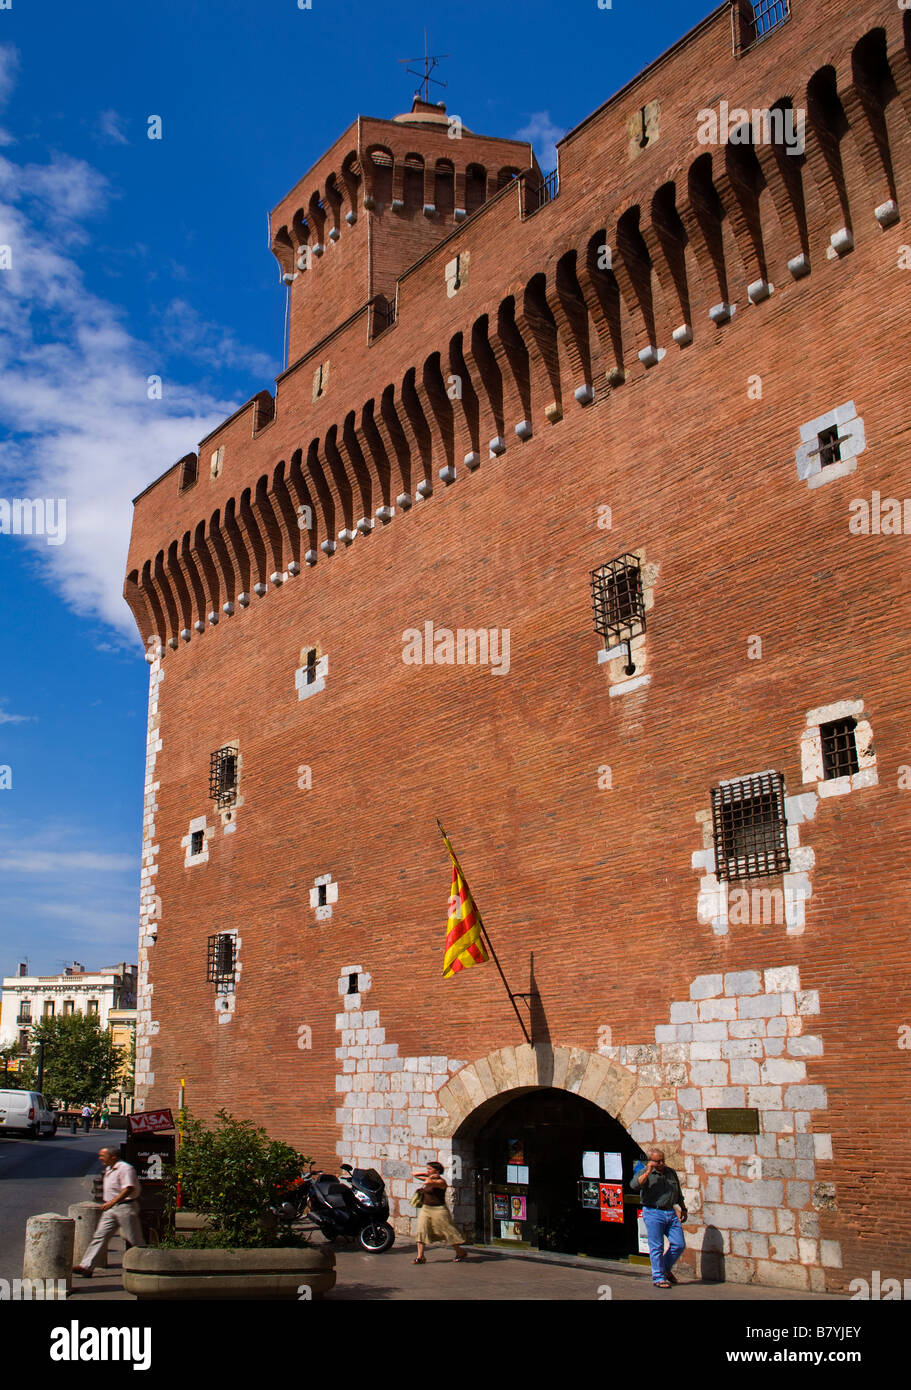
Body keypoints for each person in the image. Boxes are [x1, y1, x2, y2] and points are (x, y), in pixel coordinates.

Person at [73, 1147, 146, 1276]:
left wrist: (112, 1202)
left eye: (103, 1156)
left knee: (134, 1239)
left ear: (113, 1157)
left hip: (125, 1207)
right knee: (100, 1236)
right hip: (111, 1208)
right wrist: (110, 1204)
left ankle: (147, 1263)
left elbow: (128, 1188)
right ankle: (86, 1266)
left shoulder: (125, 1168)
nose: (100, 1158)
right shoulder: (109, 1169)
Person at [630, 1147, 688, 1289]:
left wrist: (683, 1208)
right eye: (658, 1161)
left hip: (670, 1212)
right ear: (650, 1161)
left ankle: (664, 1268)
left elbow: (677, 1192)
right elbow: (635, 1185)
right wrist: (649, 1171)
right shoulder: (644, 1173)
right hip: (653, 1212)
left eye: (663, 1160)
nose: (662, 1163)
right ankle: (658, 1277)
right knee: (657, 1246)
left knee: (679, 1244)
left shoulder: (670, 1173)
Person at [411, 1161, 467, 1264]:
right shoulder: (429, 1178)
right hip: (426, 1209)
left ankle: (460, 1252)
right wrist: (428, 1173)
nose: (427, 1170)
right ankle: (420, 1256)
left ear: (436, 1171)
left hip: (439, 1210)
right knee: (421, 1230)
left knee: (447, 1232)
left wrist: (430, 1176)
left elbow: (428, 1182)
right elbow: (414, 1174)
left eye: (429, 1169)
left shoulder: (441, 1182)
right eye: (427, 1169)